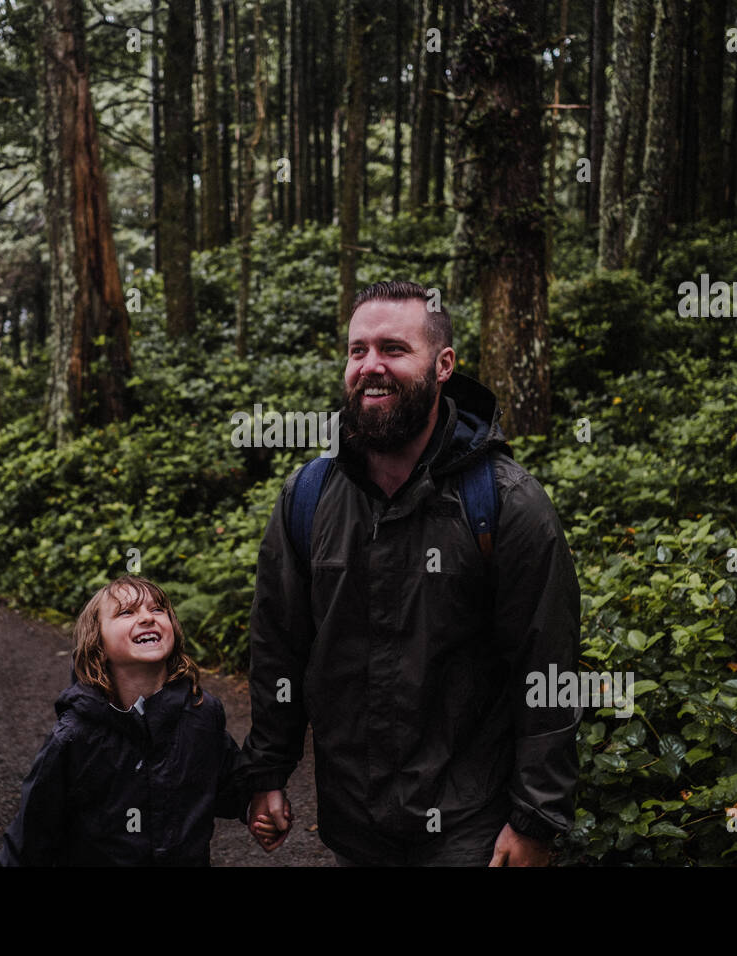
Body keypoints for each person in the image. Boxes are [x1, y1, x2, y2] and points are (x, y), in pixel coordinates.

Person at [239, 280, 582, 866]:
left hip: (471, 824)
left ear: (443, 364)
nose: (371, 366)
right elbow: (279, 647)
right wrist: (267, 770)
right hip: (353, 821)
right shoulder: (307, 497)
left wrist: (536, 818)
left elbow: (547, 669)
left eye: (394, 349)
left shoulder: (506, 504)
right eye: (357, 350)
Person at [0, 575, 248, 866]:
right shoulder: (75, 736)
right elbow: (32, 835)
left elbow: (232, 786)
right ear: (98, 645)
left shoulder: (202, 715)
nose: (147, 618)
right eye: (126, 612)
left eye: (157, 610)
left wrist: (260, 804)